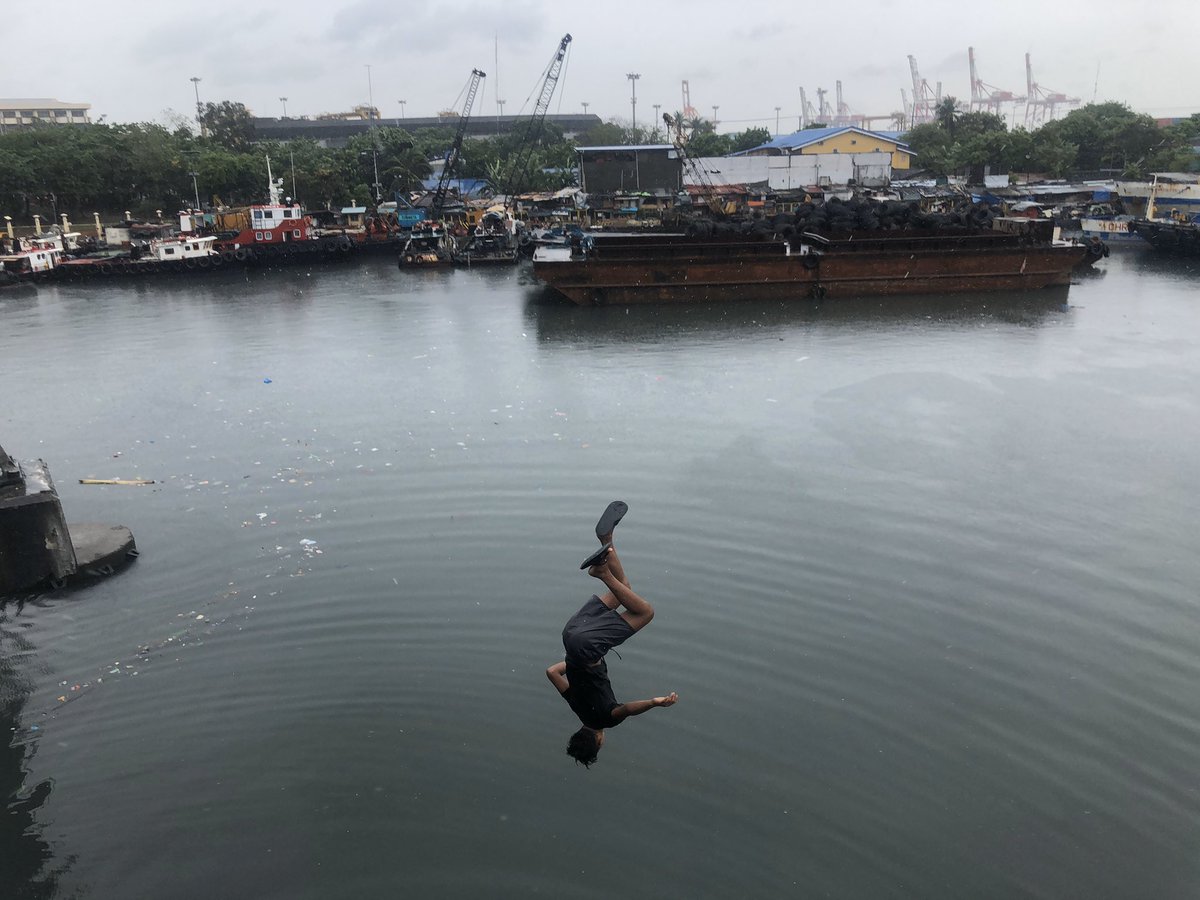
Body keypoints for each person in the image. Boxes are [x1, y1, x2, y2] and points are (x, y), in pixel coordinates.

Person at [546, 502, 678, 767]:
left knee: (645, 613)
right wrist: (573, 664)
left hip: (587, 648)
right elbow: (551, 672)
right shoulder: (574, 704)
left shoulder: (606, 720)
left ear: (598, 741)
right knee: (623, 589)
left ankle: (601, 572)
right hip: (571, 637)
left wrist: (655, 702)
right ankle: (606, 540)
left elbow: (626, 709)